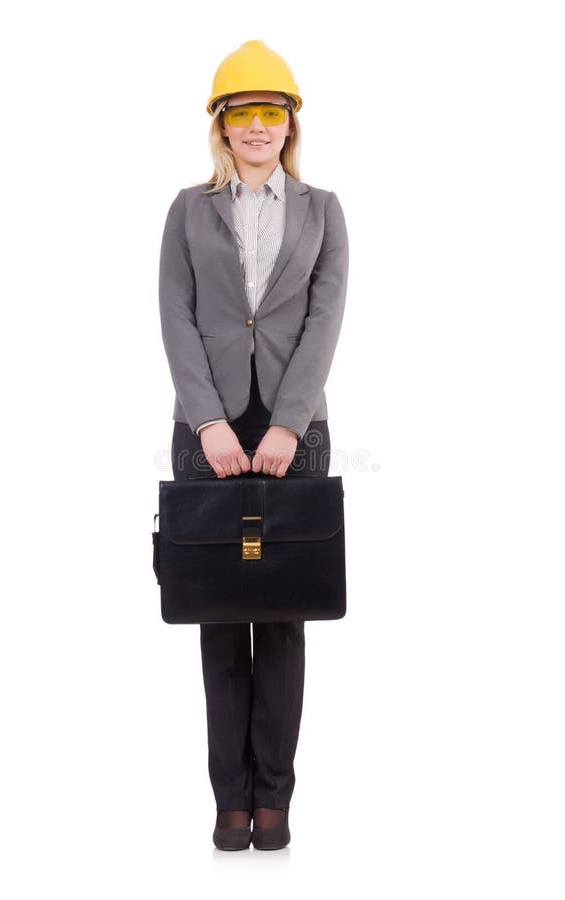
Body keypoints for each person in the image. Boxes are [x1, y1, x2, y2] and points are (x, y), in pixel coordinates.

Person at [158, 40, 349, 850]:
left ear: (290, 123)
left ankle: (275, 803)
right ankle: (228, 802)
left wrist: (287, 422)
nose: (259, 126)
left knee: (280, 617)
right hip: (205, 429)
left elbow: (322, 321)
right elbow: (176, 315)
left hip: (293, 432)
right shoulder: (186, 209)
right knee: (217, 614)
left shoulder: (324, 210)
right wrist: (207, 422)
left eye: (273, 112)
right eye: (244, 113)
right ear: (222, 125)